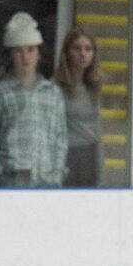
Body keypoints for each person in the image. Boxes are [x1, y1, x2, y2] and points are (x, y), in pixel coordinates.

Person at [0, 13, 67, 187]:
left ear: (39, 53)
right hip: (12, 178)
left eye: (30, 50)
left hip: (46, 178)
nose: (25, 57)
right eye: (19, 51)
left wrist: (56, 174)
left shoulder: (53, 93)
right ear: (11, 54)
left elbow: (60, 139)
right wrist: (0, 174)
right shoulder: (1, 92)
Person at [53, 27, 102, 187]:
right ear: (67, 52)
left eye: (88, 49)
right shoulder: (54, 87)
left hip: (90, 153)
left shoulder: (95, 86)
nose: (83, 54)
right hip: (67, 154)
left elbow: (97, 128)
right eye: (77, 48)